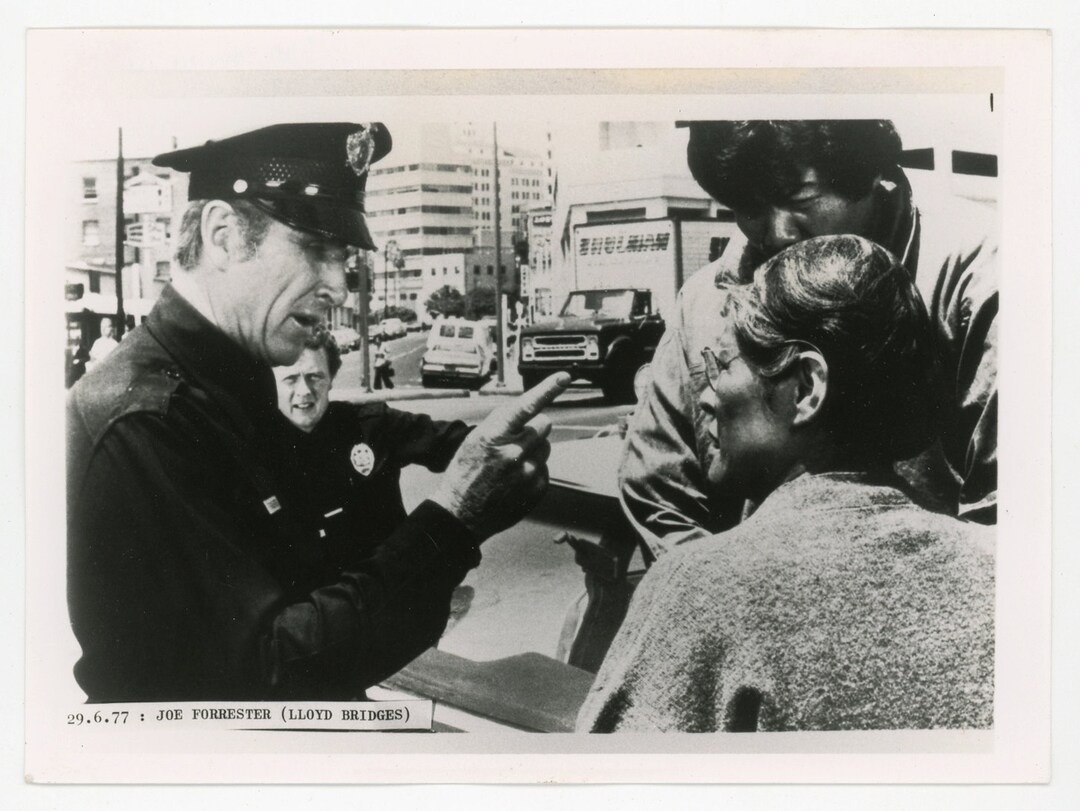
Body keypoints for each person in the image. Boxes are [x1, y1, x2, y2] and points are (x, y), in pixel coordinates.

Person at [67, 121, 570, 702]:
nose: (338, 286)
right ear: (223, 236)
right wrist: (453, 521)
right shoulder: (149, 418)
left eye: (343, 258)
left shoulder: (229, 386)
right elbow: (270, 676)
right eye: (314, 249)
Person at [578, 236, 995, 732]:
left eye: (719, 367)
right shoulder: (995, 570)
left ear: (806, 388)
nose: (706, 398)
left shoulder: (700, 587)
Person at [621, 120, 998, 561]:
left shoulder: (980, 273)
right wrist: (725, 589)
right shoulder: (706, 300)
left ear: (866, 171)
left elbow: (1006, 512)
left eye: (799, 199)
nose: (779, 233)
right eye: (748, 208)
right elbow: (660, 494)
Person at [273, 334, 470, 558]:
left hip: (385, 574)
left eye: (315, 377)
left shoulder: (371, 425)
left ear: (331, 379)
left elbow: (462, 442)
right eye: (291, 379)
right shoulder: (256, 444)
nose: (304, 390)